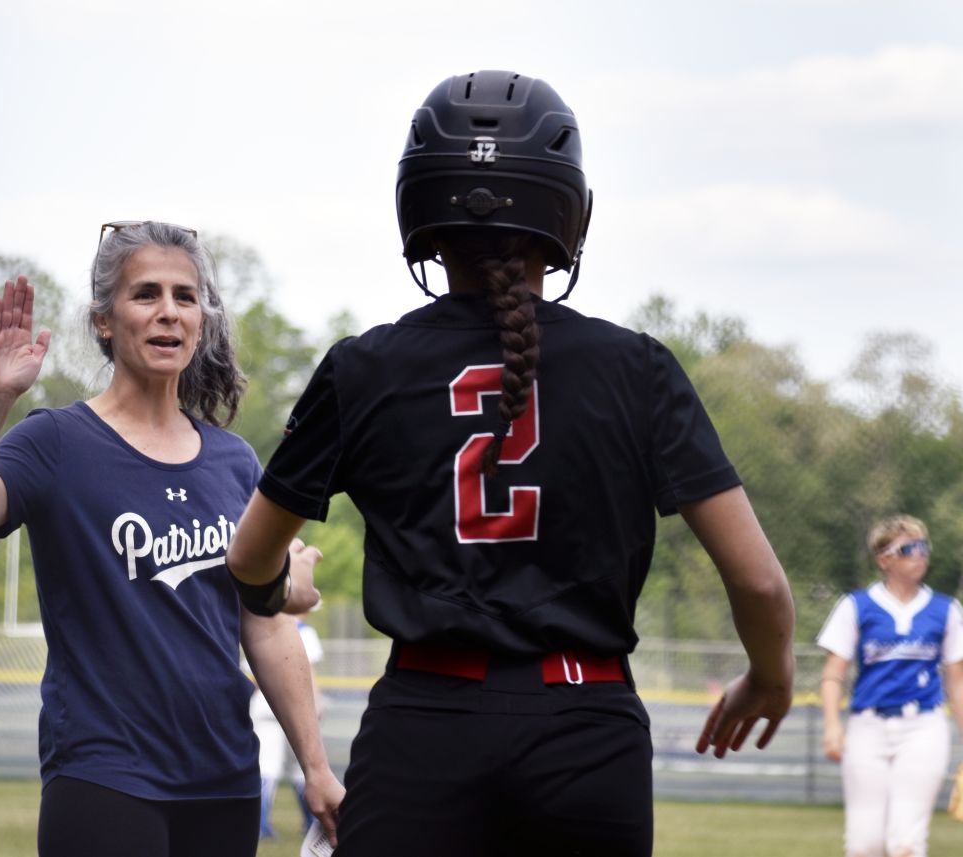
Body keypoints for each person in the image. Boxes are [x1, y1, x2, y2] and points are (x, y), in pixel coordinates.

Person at [226, 70, 796, 857]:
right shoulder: (636, 368)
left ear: (417, 209)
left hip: (425, 720)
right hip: (586, 727)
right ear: (568, 213)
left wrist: (272, 587)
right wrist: (770, 672)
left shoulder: (366, 368)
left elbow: (250, 556)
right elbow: (761, 581)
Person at [0, 221, 342, 857]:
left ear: (201, 319)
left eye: (185, 296)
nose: (169, 311)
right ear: (104, 321)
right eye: (146, 294)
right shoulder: (56, 442)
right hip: (104, 776)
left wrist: (315, 766)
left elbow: (265, 623)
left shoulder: (233, 462)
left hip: (223, 777)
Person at [817, 514, 963, 857]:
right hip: (868, 727)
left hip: (924, 727)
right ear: (884, 559)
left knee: (906, 841)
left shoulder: (946, 610)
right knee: (863, 844)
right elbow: (833, 673)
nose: (920, 554)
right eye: (909, 548)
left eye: (923, 546)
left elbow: (957, 681)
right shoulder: (857, 606)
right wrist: (831, 724)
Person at [251, 611, 324, 838]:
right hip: (294, 703)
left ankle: (260, 825)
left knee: (266, 767)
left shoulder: (262, 621)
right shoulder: (302, 630)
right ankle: (311, 823)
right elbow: (307, 671)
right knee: (302, 768)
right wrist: (317, 703)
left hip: (262, 703)